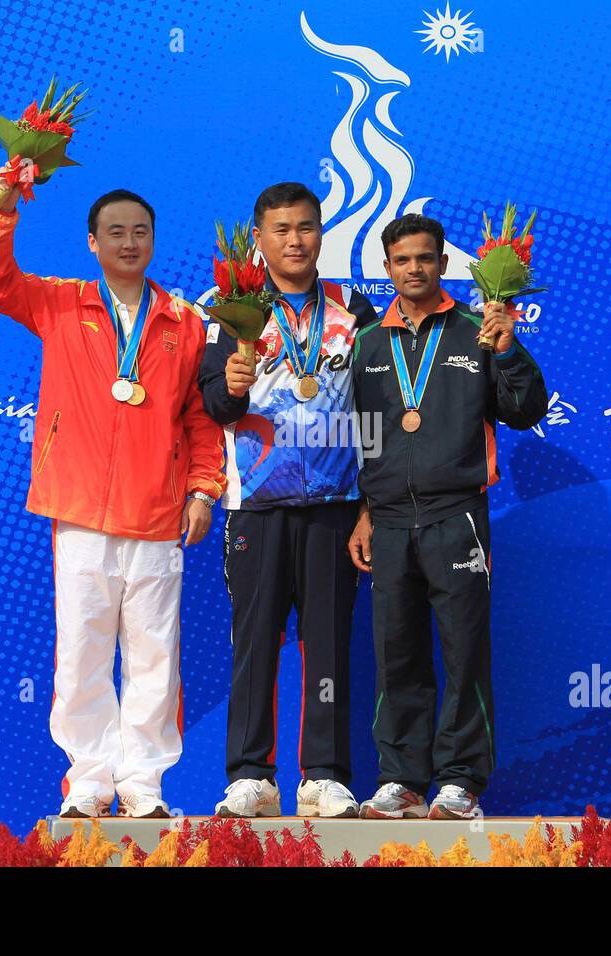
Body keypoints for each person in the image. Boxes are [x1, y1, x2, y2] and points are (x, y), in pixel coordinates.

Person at [0, 171, 226, 819]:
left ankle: (143, 783)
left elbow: (199, 418)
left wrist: (203, 488)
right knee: (82, 648)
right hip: (79, 508)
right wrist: (1, 206)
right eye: (116, 232)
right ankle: (88, 779)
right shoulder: (59, 304)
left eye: (140, 232)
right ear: (92, 242)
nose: (129, 242)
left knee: (155, 654)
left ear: (154, 241)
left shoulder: (183, 324)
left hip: (158, 511)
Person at [348, 213, 548, 820]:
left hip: (456, 514)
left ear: (443, 264)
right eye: (402, 260)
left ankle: (461, 782)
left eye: (426, 259)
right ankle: (402, 779)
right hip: (386, 519)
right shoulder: (367, 343)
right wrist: (363, 511)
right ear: (387, 269)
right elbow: (366, 437)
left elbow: (525, 409)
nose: (415, 269)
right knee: (397, 651)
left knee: (464, 651)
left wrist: (509, 349)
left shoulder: (476, 329)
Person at [199, 182, 379, 818]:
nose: (295, 240)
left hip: (336, 503)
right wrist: (232, 381)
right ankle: (252, 774)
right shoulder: (232, 310)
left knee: (328, 641)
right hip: (258, 505)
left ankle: (324, 775)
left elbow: (376, 411)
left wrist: (369, 506)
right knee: (255, 638)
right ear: (260, 238)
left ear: (322, 233)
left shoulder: (354, 311)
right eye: (280, 229)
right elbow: (214, 406)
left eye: (305, 227)